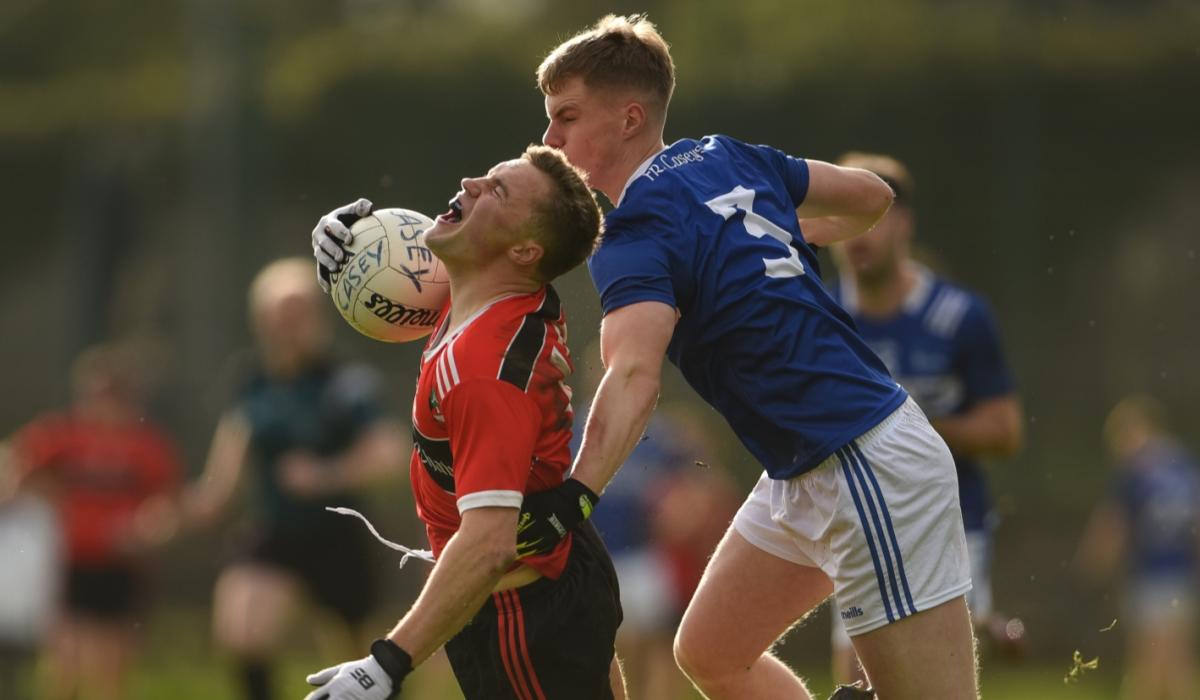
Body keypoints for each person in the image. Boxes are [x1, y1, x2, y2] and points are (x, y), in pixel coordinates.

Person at [317, 16, 978, 699]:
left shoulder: (634, 231)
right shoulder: (726, 157)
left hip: (861, 458)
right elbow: (872, 199)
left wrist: (576, 497)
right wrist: (752, 239)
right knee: (713, 654)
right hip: (801, 472)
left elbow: (634, 376)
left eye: (567, 117)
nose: (552, 138)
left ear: (629, 117)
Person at [304, 145, 623, 699]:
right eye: (488, 175)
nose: (470, 181)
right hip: (549, 583)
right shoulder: (486, 293)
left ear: (525, 249)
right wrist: (348, 248)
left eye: (496, 190)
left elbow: (489, 544)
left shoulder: (482, 372)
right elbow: (411, 277)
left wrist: (386, 663)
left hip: (521, 614)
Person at [827, 152, 1025, 683]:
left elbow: (1005, 430)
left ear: (904, 224)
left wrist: (899, 429)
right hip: (859, 523)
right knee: (857, 676)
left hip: (953, 520)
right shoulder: (821, 317)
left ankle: (975, 617)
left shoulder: (959, 317)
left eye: (871, 218)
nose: (857, 235)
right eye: (843, 221)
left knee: (937, 681)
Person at [184, 258, 409, 700]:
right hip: (275, 531)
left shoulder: (345, 380)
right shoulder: (251, 380)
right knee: (243, 629)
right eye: (280, 315)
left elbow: (389, 451)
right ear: (261, 320)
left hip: (338, 534)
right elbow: (231, 455)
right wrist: (200, 503)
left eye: (301, 312)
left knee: (359, 659)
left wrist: (326, 473)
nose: (290, 325)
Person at [3, 341, 183, 700]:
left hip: (120, 566)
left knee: (110, 668)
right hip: (68, 565)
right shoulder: (62, 436)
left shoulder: (146, 446)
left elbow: (167, 505)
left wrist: (146, 530)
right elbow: (17, 465)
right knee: (63, 664)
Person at [1076, 395, 1200, 700]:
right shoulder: (1184, 465)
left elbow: (1111, 529)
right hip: (1182, 581)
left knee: (1148, 668)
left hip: (1151, 581)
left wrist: (1089, 569)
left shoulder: (1135, 473)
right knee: (1177, 664)